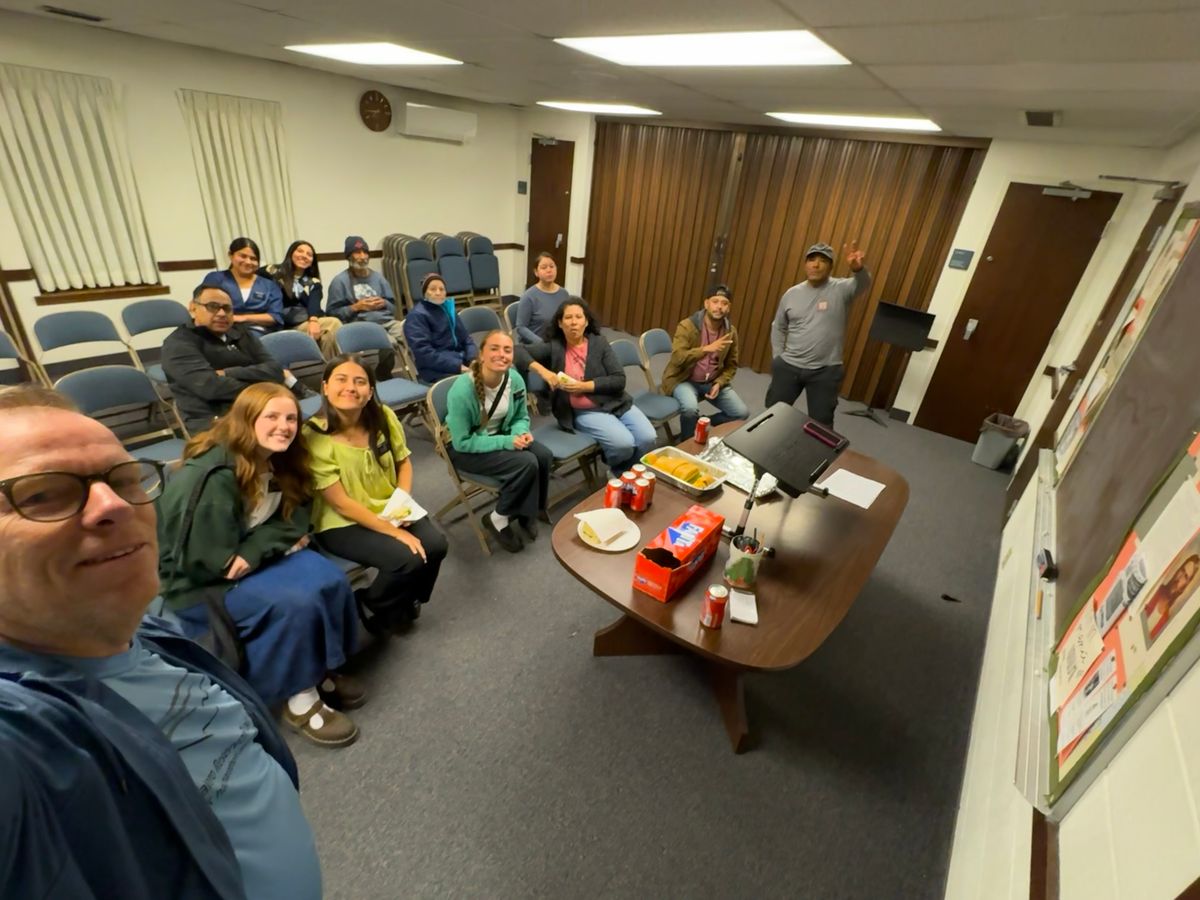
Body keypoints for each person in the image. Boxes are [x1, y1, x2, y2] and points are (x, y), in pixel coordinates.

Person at [0, 384, 321, 899]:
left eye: (123, 478)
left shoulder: (143, 637)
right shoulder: (19, 735)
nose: (112, 505)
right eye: (41, 493)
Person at [156, 383, 363, 747]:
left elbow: (297, 517)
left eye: (291, 418)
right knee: (295, 603)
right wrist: (268, 547)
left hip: (247, 559)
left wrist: (258, 549)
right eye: (271, 417)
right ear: (246, 420)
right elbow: (210, 562)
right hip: (200, 583)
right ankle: (301, 700)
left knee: (330, 579)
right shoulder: (211, 479)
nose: (283, 426)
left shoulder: (280, 458)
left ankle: (320, 667)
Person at [304, 355, 448, 633]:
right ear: (324, 386)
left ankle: (404, 598)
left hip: (388, 505)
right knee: (408, 558)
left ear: (370, 391)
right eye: (341, 380)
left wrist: (401, 500)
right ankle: (372, 602)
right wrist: (394, 531)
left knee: (435, 546)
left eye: (360, 382)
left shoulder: (383, 417)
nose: (351, 388)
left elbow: (403, 461)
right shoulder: (313, 436)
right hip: (342, 521)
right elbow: (341, 504)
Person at [517, 298, 656, 475]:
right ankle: (621, 471)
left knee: (648, 438)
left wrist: (585, 386)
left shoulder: (599, 343)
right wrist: (543, 372)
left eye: (578, 317)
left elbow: (619, 379)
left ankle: (623, 471)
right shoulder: (554, 348)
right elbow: (517, 351)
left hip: (617, 401)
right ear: (560, 323)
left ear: (586, 321)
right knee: (624, 444)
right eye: (568, 318)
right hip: (586, 411)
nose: (573, 322)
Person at [445, 329, 552, 553]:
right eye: (494, 348)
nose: (501, 354)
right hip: (465, 448)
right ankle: (497, 518)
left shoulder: (514, 379)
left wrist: (521, 432)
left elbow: (521, 417)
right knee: (526, 463)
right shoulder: (462, 390)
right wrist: (507, 441)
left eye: (507, 350)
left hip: (501, 436)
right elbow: (462, 442)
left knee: (543, 456)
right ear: (481, 355)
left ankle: (527, 512)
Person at [161, 280, 289, 434]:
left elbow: (275, 370)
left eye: (227, 309)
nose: (221, 313)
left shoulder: (240, 332)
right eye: (212, 307)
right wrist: (264, 387)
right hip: (214, 420)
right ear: (193, 308)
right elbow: (212, 388)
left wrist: (229, 373)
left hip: (257, 407)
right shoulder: (178, 344)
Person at [765, 241, 871, 426]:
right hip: (789, 366)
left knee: (822, 423)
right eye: (811, 259)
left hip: (825, 370)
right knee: (773, 415)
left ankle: (816, 455)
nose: (815, 264)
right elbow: (779, 326)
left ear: (830, 266)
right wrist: (778, 357)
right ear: (805, 264)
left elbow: (863, 284)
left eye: (822, 260)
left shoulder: (841, 289)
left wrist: (858, 269)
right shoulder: (791, 294)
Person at [660, 284, 750, 440]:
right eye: (715, 301)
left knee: (741, 413)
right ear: (706, 303)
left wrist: (720, 382)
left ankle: (702, 423)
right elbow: (677, 358)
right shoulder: (687, 326)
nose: (719, 307)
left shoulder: (730, 332)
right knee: (689, 408)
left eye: (724, 303)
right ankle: (687, 444)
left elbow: (732, 365)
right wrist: (706, 349)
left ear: (729, 308)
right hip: (684, 379)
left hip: (712, 381)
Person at [326, 236, 405, 378]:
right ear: (349, 256)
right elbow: (332, 313)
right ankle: (380, 375)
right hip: (362, 325)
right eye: (357, 253)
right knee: (389, 342)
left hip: (387, 322)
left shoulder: (379, 278)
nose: (362, 257)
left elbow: (393, 307)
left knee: (410, 334)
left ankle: (417, 375)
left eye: (365, 252)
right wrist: (356, 307)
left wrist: (384, 303)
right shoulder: (340, 282)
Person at [262, 239, 342, 357]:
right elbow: (247, 275)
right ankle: (339, 366)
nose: (304, 256)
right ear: (291, 253)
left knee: (328, 335)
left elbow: (314, 304)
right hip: (281, 324)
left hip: (304, 323)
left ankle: (331, 369)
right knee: (333, 323)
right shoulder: (273, 271)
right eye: (300, 251)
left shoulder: (313, 282)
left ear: (312, 262)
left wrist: (313, 321)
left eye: (309, 255)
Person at [404, 272, 478, 383]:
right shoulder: (417, 316)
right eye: (433, 289)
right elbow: (424, 354)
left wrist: (473, 359)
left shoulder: (448, 310)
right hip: (436, 369)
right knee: (475, 382)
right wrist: (458, 367)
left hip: (461, 359)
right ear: (425, 293)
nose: (438, 293)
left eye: (441, 289)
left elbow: (466, 338)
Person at [204, 236, 284, 334]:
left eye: (253, 258)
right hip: (221, 330)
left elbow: (275, 316)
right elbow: (205, 307)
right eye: (243, 256)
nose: (248, 262)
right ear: (230, 255)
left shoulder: (269, 285)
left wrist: (242, 318)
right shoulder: (216, 279)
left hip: (257, 332)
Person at [514, 252, 570, 344]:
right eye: (544, 267)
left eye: (552, 266)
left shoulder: (564, 294)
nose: (549, 270)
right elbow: (521, 328)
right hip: (535, 345)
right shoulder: (529, 296)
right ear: (536, 272)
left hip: (557, 343)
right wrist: (541, 343)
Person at [1144, 553, 1200, 641]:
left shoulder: (1166, 618)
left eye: (1185, 577)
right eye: (1182, 570)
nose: (1180, 577)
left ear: (1187, 584)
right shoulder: (1157, 589)